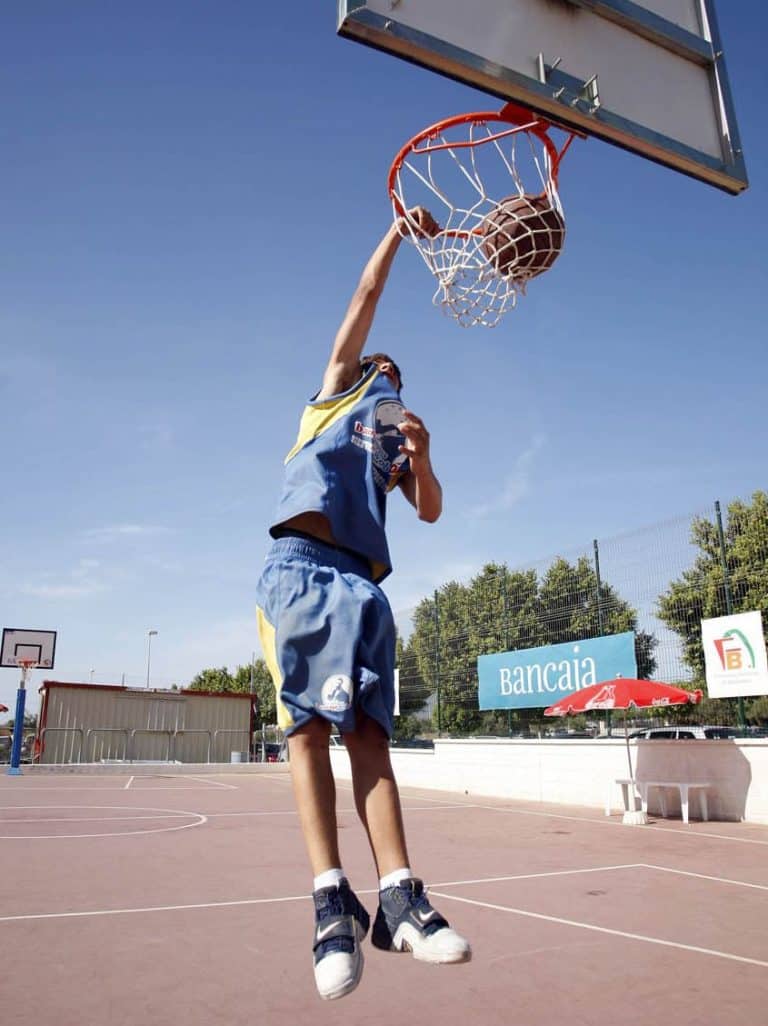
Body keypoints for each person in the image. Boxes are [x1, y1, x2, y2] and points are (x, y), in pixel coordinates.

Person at [255, 207, 471, 1001]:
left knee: (371, 736)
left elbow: (434, 510)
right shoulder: (328, 401)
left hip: (363, 588)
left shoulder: (388, 449)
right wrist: (397, 234)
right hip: (302, 568)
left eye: (397, 383)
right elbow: (364, 299)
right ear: (354, 375)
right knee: (308, 732)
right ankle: (328, 902)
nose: (390, 383)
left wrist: (422, 453)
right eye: (381, 374)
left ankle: (400, 896)